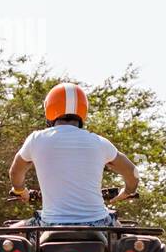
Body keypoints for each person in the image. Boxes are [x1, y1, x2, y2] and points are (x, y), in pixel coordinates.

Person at [8, 82, 138, 225]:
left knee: (7, 237)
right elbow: (132, 172)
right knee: (122, 238)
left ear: (49, 109)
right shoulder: (99, 142)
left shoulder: (36, 139)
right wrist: (127, 191)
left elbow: (15, 172)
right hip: (98, 224)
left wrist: (20, 190)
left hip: (51, 225)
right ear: (83, 111)